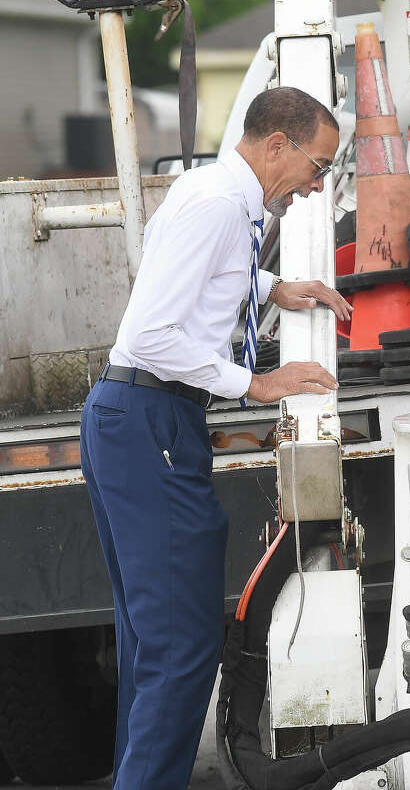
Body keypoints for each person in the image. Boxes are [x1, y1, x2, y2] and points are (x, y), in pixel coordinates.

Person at [79, 86, 352, 790]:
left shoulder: (216, 198)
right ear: (277, 146)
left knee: (152, 644)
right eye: (318, 165)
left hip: (138, 418)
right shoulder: (215, 207)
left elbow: (195, 282)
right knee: (181, 645)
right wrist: (255, 384)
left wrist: (271, 288)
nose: (318, 183)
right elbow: (152, 335)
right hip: (151, 417)